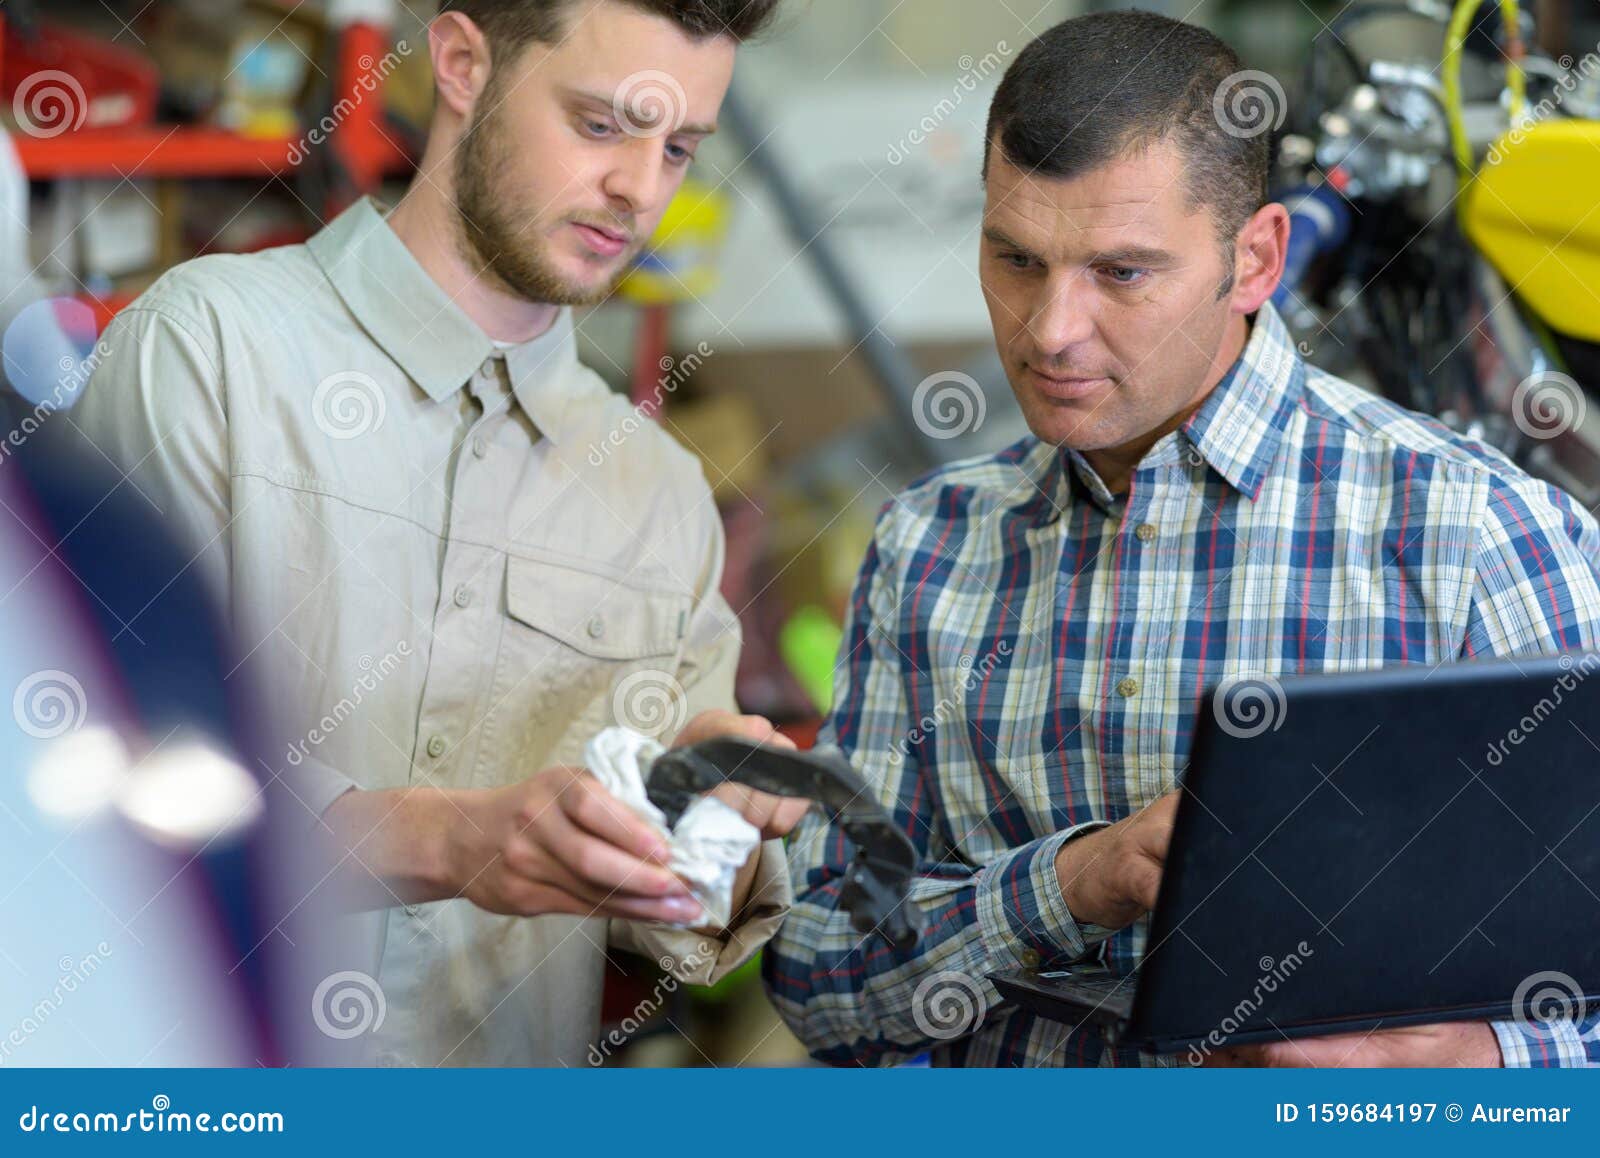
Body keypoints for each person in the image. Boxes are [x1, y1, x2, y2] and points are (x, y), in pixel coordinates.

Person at [765, 10, 1600, 1067]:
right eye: (1015, 258)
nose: (1049, 330)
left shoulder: (1473, 534)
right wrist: (1072, 883)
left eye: (1121, 273)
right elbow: (819, 980)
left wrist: (1468, 1062)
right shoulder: (929, 547)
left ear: (1255, 260)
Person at [73, 0, 809, 1066]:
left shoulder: (657, 493)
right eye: (600, 125)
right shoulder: (207, 356)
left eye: (679, 148)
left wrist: (711, 820)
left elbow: (677, 922)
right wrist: (449, 841)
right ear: (462, 63)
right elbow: (97, 794)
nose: (640, 189)